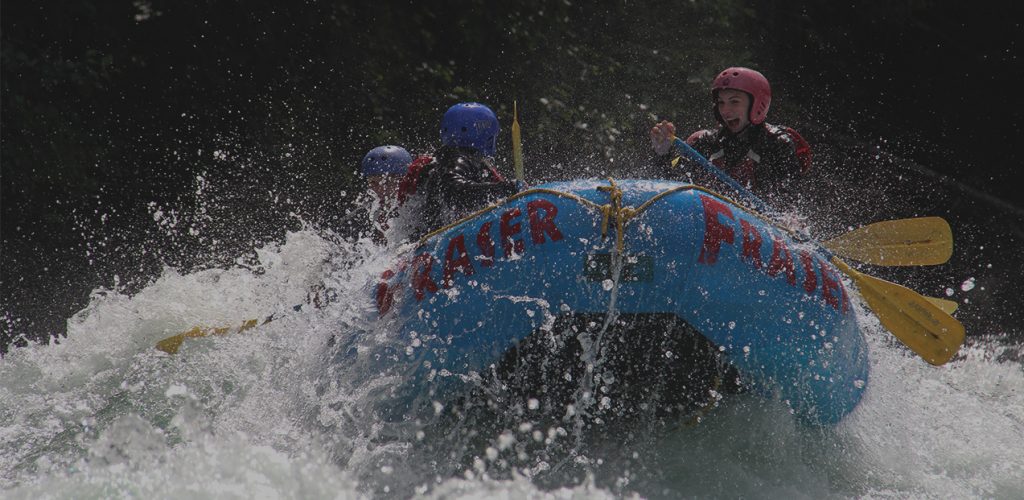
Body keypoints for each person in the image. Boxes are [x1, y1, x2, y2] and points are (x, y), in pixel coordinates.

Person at [649, 67, 813, 213]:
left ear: (757, 105)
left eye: (734, 102)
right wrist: (663, 155)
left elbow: (788, 209)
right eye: (721, 103)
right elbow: (672, 188)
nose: (725, 111)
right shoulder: (705, 142)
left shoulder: (778, 143)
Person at [395, 102, 518, 239]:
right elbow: (454, 190)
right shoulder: (457, 159)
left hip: (422, 239)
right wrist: (506, 189)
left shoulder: (442, 159)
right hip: (434, 243)